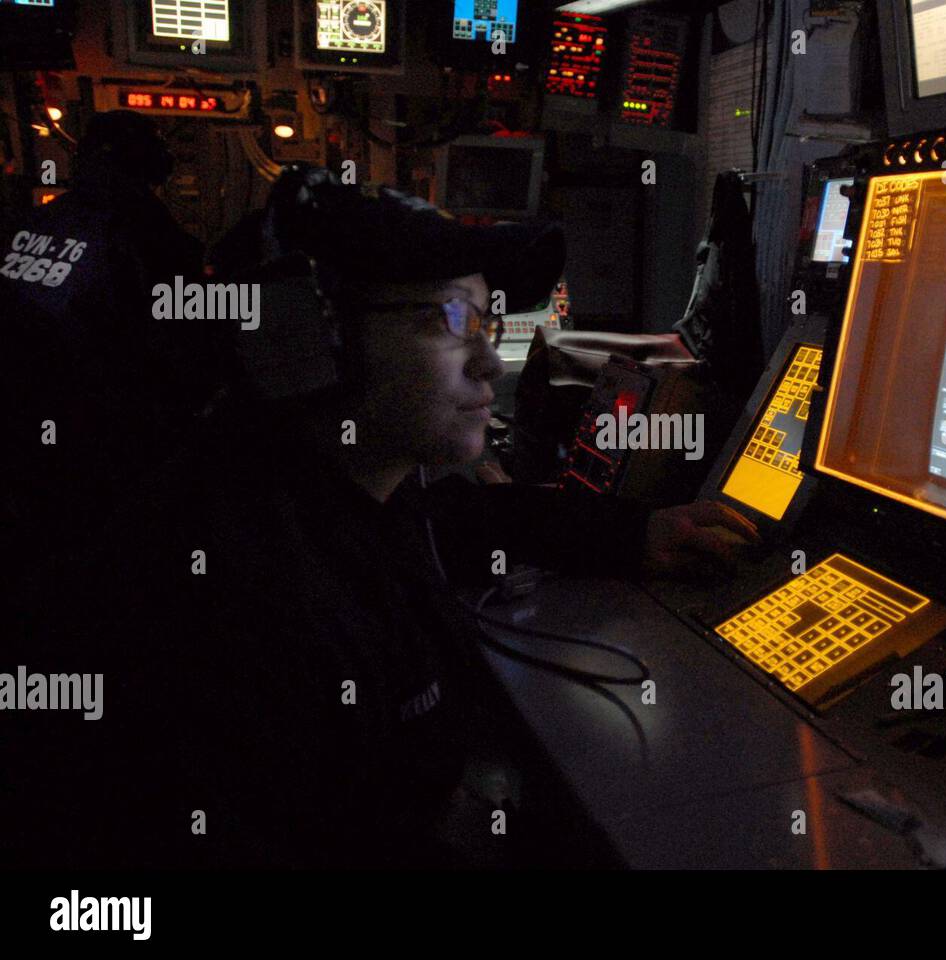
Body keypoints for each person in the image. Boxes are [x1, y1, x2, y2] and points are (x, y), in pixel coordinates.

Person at [12, 167, 758, 869]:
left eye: (484, 321)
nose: (488, 363)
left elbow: (454, 522)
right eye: (451, 319)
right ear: (307, 340)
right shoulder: (234, 599)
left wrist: (634, 531)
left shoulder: (324, 485)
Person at [0, 110, 216, 609]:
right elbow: (191, 347)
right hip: (108, 448)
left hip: (23, 443)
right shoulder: (149, 236)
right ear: (152, 166)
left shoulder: (33, 222)